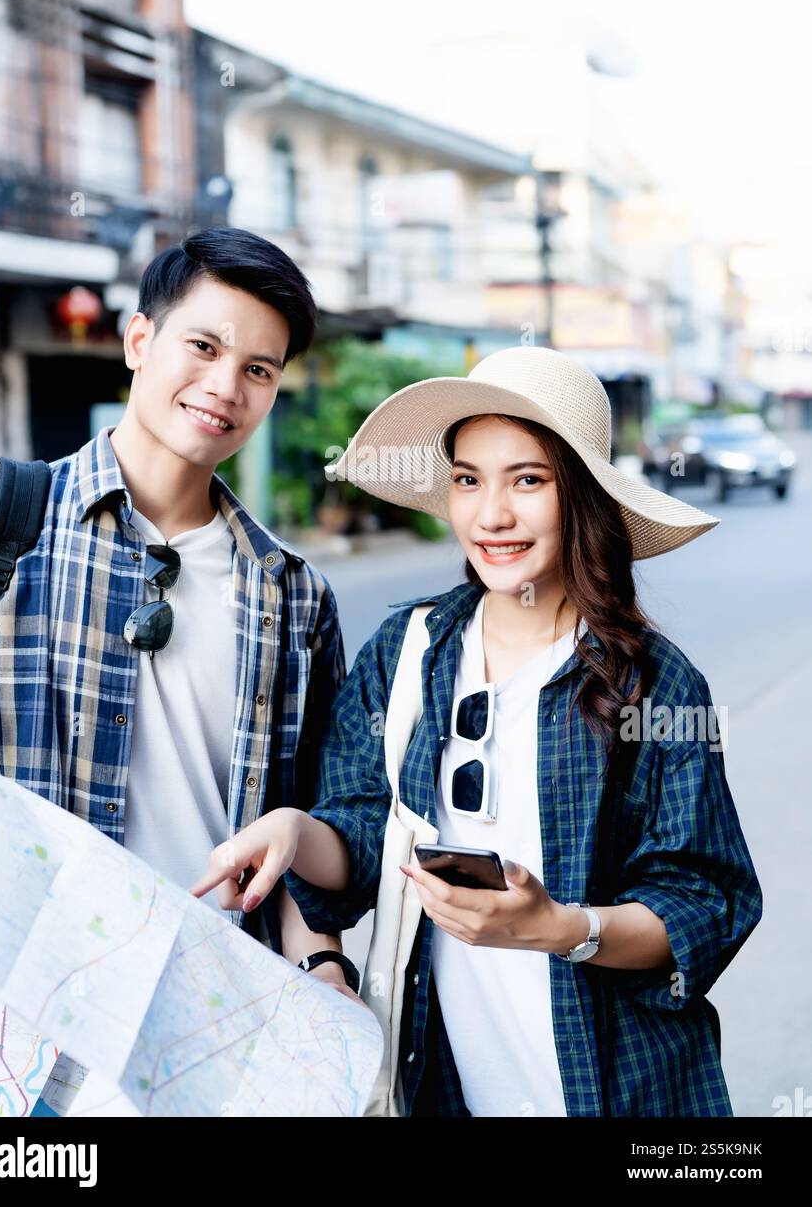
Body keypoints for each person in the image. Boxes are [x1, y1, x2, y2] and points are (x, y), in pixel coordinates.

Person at [190, 343, 764, 1117]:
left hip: (626, 1092)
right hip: (446, 1090)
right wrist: (295, 829)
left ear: (584, 495)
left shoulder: (653, 683)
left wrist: (560, 928)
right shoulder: (405, 652)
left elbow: (704, 900)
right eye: (468, 480)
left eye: (528, 480)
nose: (491, 515)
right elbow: (362, 838)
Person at [0, 227, 364, 1020]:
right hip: (17, 1007)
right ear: (140, 339)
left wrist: (322, 966)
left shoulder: (294, 596)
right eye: (201, 346)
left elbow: (303, 826)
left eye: (258, 370)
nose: (224, 385)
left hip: (219, 1019)